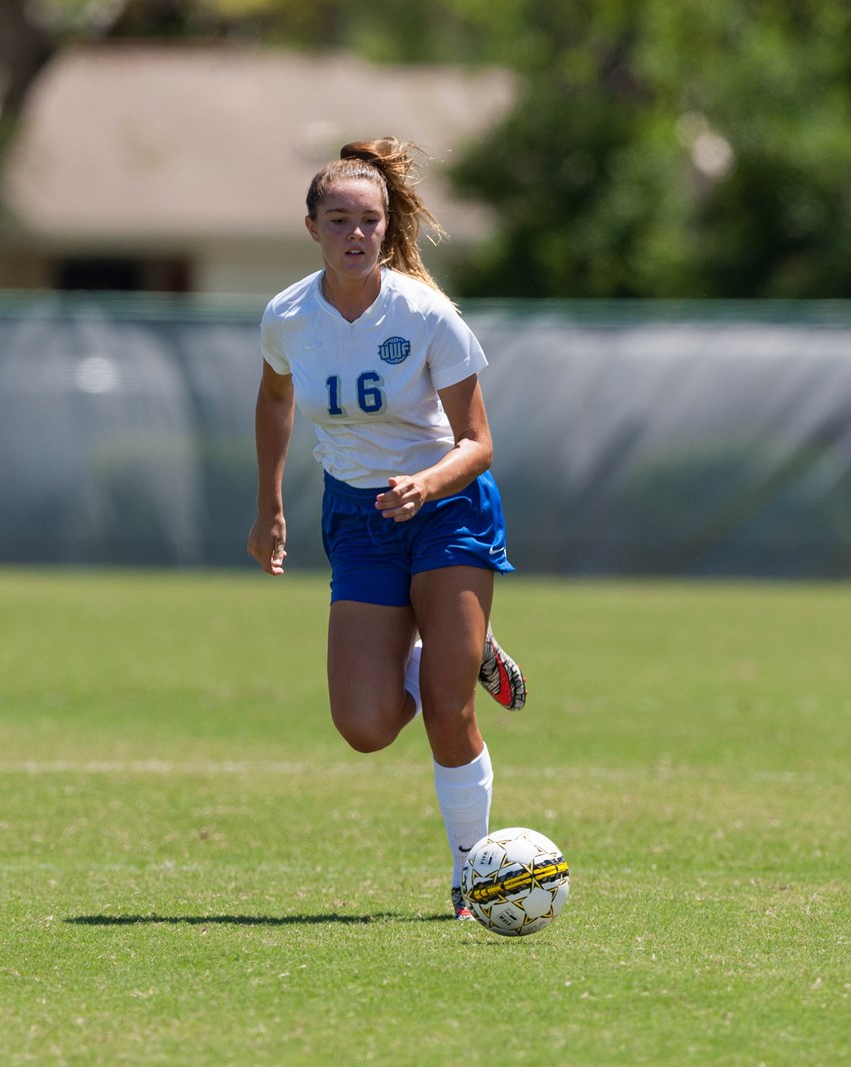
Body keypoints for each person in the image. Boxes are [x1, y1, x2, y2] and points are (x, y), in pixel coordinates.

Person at [248, 138, 527, 921]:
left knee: (447, 705)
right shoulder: (288, 316)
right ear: (312, 227)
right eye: (338, 219)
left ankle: (473, 873)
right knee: (365, 726)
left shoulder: (425, 314)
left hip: (447, 508)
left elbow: (479, 442)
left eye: (368, 220)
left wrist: (427, 483)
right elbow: (275, 398)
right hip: (358, 518)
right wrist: (269, 505)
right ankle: (445, 648)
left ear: (385, 225)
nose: (356, 233)